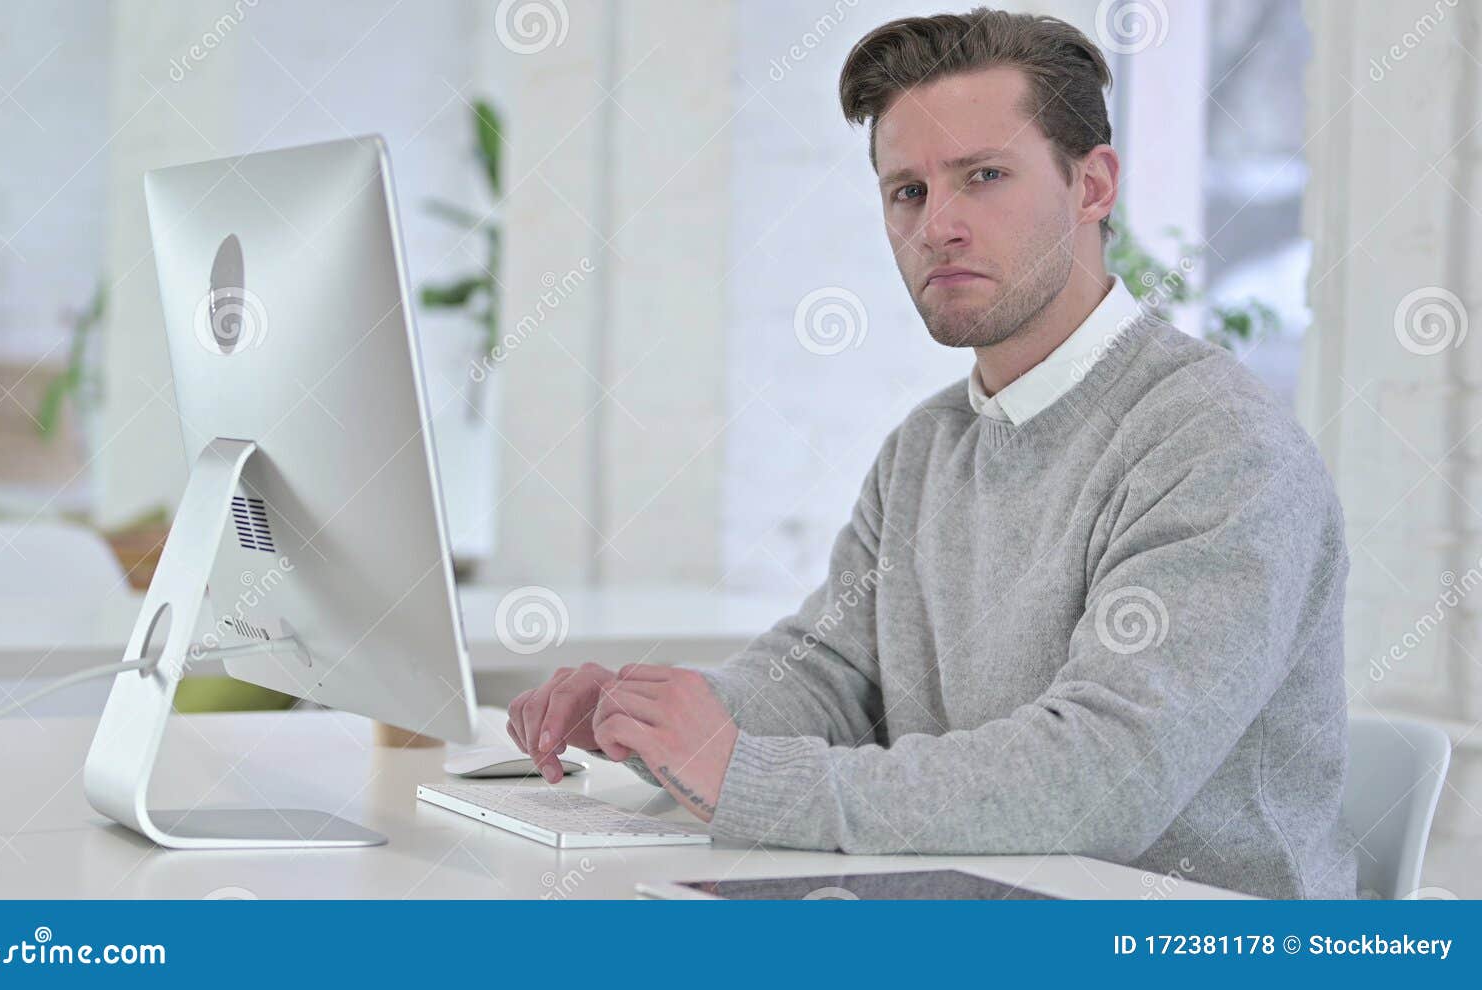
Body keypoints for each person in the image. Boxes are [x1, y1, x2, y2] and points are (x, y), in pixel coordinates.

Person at [507, 8, 1355, 899]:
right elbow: (830, 679)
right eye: (906, 191)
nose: (936, 224)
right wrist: (657, 721)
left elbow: (1101, 779)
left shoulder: (1220, 445)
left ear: (1093, 185)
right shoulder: (929, 445)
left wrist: (743, 776)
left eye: (983, 176)